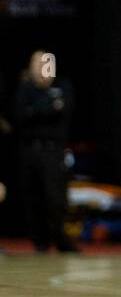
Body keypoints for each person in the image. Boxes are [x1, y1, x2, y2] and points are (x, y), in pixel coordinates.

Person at [13, 50, 76, 252]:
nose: (42, 68)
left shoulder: (62, 87)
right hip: (30, 150)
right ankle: (40, 242)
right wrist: (47, 107)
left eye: (46, 64)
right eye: (37, 64)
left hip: (53, 150)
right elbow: (21, 116)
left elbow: (62, 111)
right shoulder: (25, 89)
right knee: (32, 196)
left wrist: (38, 110)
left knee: (55, 197)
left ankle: (61, 238)